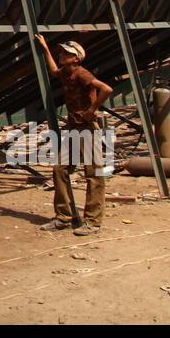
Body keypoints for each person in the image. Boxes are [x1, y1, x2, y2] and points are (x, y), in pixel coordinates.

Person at [35, 35, 114, 236]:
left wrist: (92, 109)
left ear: (76, 59)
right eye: (61, 52)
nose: (62, 55)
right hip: (72, 128)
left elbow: (106, 89)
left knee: (94, 174)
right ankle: (63, 217)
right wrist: (45, 49)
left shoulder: (82, 74)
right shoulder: (66, 73)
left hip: (87, 129)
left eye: (67, 53)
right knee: (60, 169)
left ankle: (93, 222)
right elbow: (53, 71)